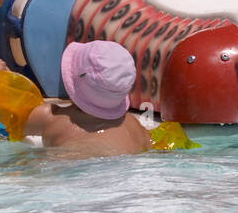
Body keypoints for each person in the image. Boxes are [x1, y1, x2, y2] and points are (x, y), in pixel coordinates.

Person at [23, 41, 152, 155]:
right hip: (121, 175)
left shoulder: (52, 117)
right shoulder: (134, 127)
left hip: (64, 167)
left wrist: (2, 75)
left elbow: (11, 117)